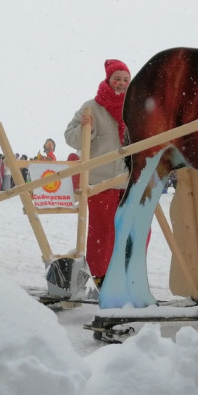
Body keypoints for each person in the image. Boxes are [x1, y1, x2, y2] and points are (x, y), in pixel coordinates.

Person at [64, 59, 131, 282]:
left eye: (126, 79)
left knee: (131, 230)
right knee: (102, 231)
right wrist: (87, 128)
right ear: (108, 80)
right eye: (117, 79)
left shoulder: (134, 106)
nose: (121, 83)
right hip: (100, 180)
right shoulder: (92, 106)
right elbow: (71, 138)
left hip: (129, 179)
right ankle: (99, 276)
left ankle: (125, 274)